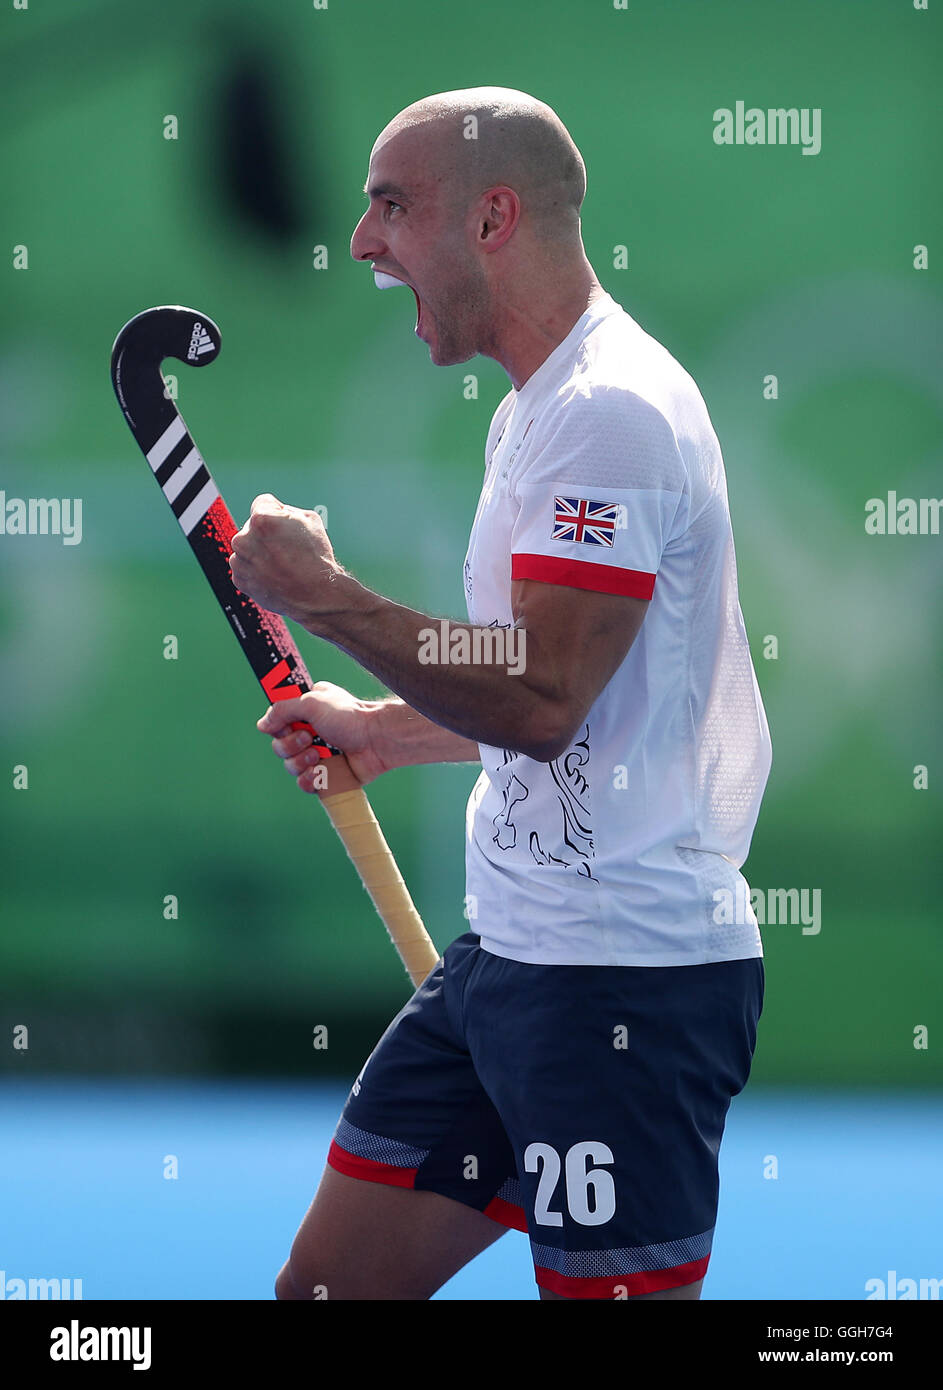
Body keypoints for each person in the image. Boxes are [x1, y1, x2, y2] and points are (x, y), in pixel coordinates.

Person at [228, 86, 772, 1301]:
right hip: (509, 961)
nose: (362, 241)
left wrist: (326, 598)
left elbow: (541, 698)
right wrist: (385, 730)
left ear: (492, 218)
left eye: (389, 206)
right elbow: (540, 685)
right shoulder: (540, 408)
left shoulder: (609, 414)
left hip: (622, 989)